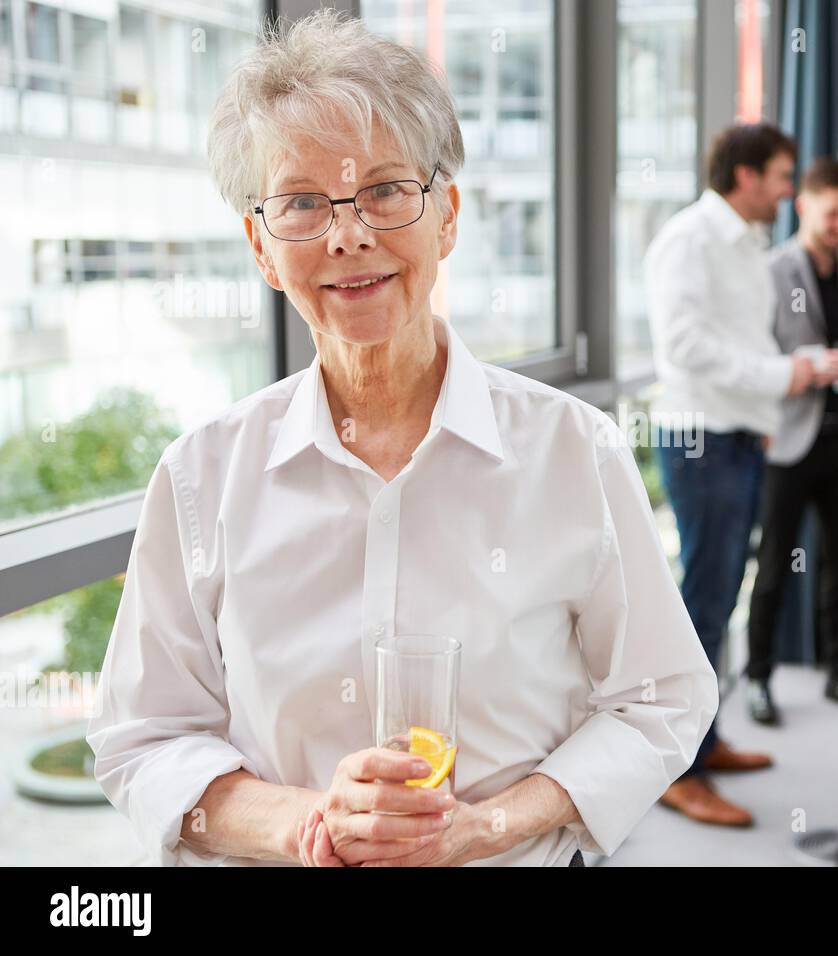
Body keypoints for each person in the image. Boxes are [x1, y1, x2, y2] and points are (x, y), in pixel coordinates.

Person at [85, 10, 717, 868]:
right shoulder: (202, 476)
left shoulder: (576, 450)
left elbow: (661, 700)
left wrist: (486, 825)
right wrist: (309, 825)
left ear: (446, 215)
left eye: (384, 190)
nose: (349, 233)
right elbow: (146, 739)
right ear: (262, 248)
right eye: (302, 203)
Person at [644, 122, 821, 827]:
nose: (789, 190)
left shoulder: (745, 244)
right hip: (700, 441)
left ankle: (704, 742)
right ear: (745, 176)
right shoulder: (688, 239)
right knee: (703, 606)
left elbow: (739, 340)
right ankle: (674, 770)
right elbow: (685, 345)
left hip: (737, 435)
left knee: (719, 600)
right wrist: (783, 376)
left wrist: (763, 407)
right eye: (782, 176)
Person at [746, 156, 838, 725]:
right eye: (831, 212)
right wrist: (808, 365)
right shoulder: (771, 271)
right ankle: (757, 677)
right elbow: (754, 356)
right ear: (804, 206)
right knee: (774, 563)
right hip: (789, 437)